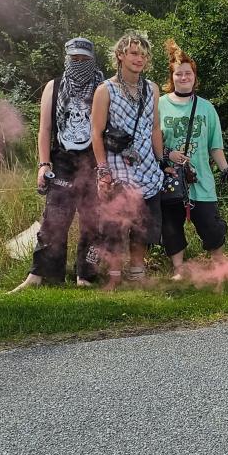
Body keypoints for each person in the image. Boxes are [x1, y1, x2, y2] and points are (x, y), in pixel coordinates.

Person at [8, 38, 106, 294]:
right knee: (54, 219)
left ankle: (86, 275)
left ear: (93, 59)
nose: (79, 63)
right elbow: (45, 129)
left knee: (93, 222)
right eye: (75, 59)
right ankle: (41, 274)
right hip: (62, 159)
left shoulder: (103, 87)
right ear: (67, 57)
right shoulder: (54, 86)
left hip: (93, 160)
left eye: (84, 59)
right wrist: (43, 164)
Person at [157, 39, 228, 280]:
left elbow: (215, 146)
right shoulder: (159, 105)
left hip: (200, 178)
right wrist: (167, 155)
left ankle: (219, 265)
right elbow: (152, 141)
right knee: (171, 226)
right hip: (170, 178)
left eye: (188, 73)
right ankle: (179, 269)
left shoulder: (206, 107)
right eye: (179, 74)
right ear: (172, 78)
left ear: (194, 76)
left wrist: (226, 172)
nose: (184, 78)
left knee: (210, 224)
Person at [90, 30, 165, 289]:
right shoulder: (105, 90)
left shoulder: (152, 89)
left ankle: (137, 273)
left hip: (147, 164)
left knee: (143, 224)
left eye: (143, 55)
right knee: (116, 225)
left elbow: (155, 128)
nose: (139, 59)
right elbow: (96, 133)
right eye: (134, 53)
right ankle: (113, 277)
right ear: (120, 55)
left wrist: (162, 160)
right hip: (117, 164)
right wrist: (103, 171)